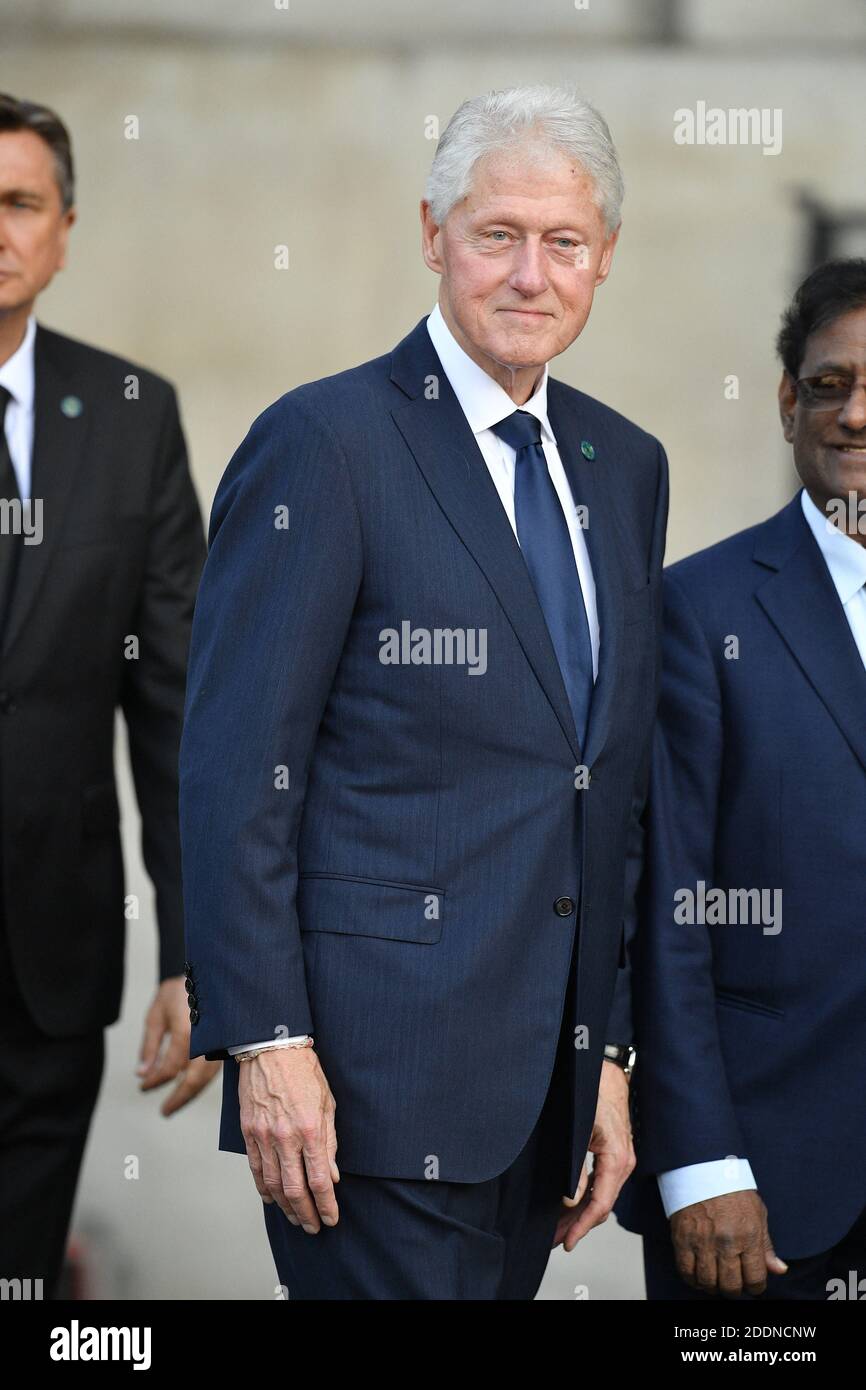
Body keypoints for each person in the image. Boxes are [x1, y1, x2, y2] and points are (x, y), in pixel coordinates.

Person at [180, 83, 669, 1300]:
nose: (527, 273)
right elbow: (238, 763)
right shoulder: (327, 444)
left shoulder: (626, 467)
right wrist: (269, 1039)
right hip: (367, 1091)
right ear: (431, 234)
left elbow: (604, 786)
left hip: (539, 1103)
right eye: (494, 233)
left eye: (562, 242)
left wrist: (606, 1052)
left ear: (604, 259)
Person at [616, 259, 866, 1301]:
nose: (854, 414)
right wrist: (703, 1161)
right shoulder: (694, 610)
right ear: (784, 404)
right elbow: (661, 909)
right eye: (827, 384)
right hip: (761, 1194)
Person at [0, 93, 214, 1299]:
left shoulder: (133, 417)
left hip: (46, 956)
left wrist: (195, 953)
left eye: (19, 203)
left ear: (65, 229)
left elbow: (172, 701)